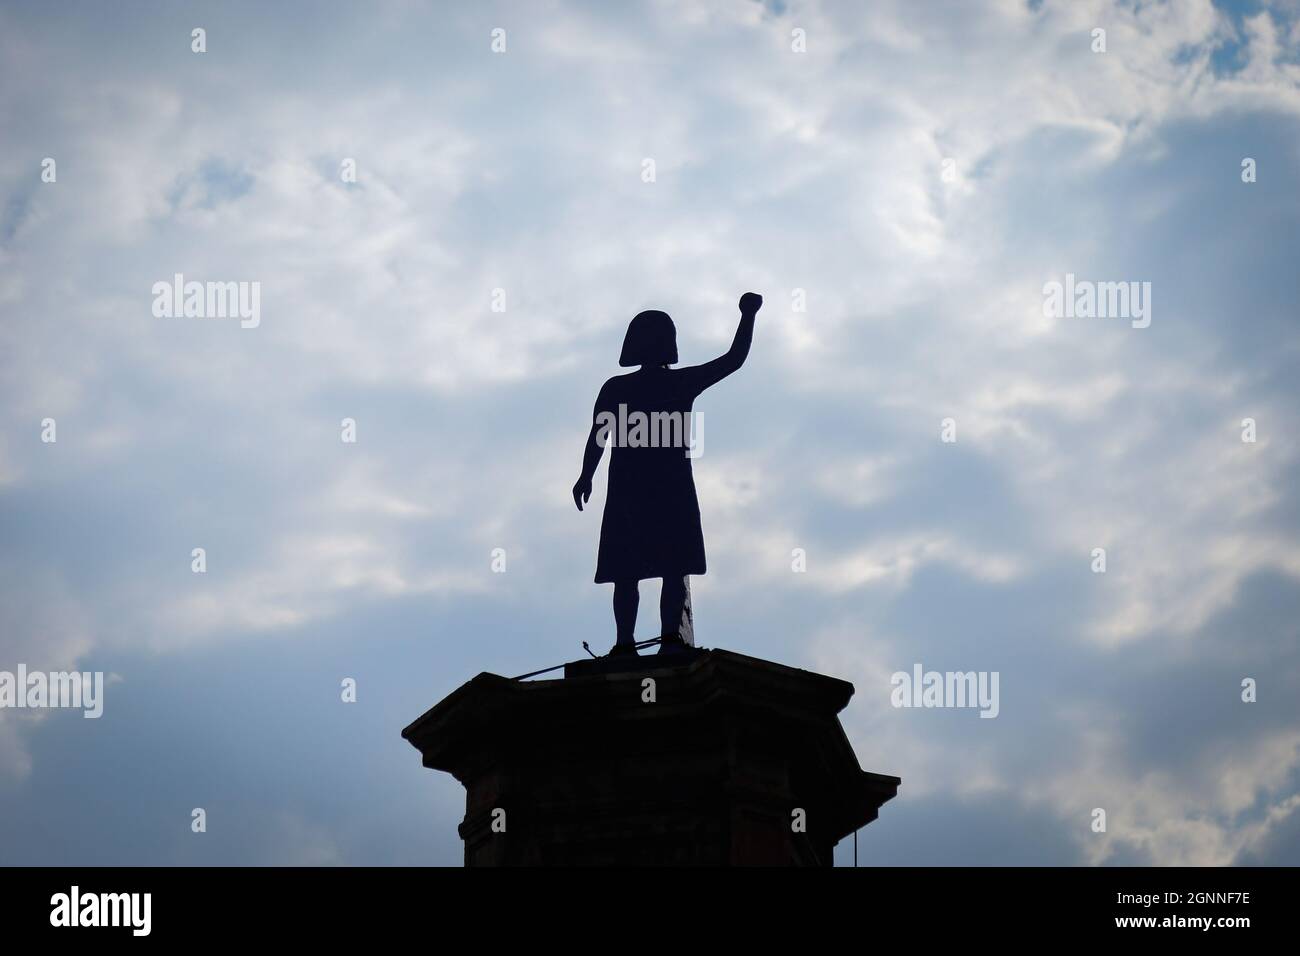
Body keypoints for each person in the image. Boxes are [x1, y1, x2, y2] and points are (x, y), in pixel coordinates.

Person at [573, 292, 762, 656]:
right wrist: (586, 475)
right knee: (636, 569)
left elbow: (733, 359)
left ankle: (661, 641)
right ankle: (636, 643)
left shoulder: (656, 385)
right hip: (643, 488)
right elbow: (599, 435)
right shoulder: (628, 387)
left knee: (657, 568)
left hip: (658, 486)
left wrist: (748, 315)